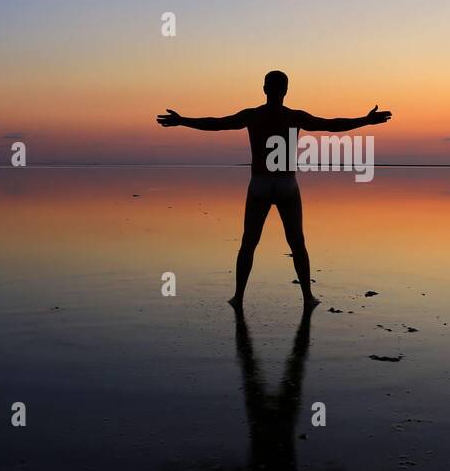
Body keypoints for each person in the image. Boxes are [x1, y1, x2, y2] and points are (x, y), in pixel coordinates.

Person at [157, 70, 392, 308]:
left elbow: (217, 124)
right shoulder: (294, 116)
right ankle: (307, 297)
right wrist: (365, 120)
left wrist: (182, 120)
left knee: (249, 243)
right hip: (286, 185)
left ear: (264, 89)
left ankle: (238, 297)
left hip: (259, 183)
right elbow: (331, 125)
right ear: (286, 91)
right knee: (297, 243)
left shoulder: (253, 115)